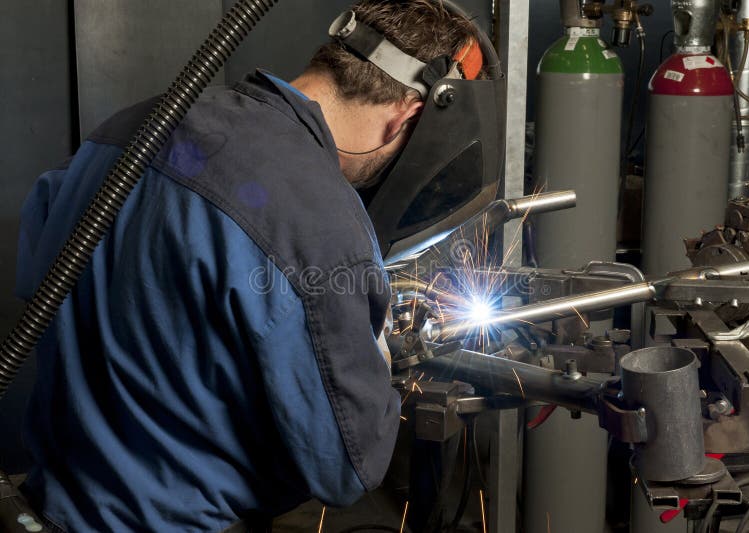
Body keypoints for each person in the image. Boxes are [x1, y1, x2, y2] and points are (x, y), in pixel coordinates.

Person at [13, 1, 490, 531]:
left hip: (48, 505)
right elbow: (348, 466)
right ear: (408, 116)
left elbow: (38, 277)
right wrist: (372, 356)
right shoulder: (315, 214)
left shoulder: (128, 127)